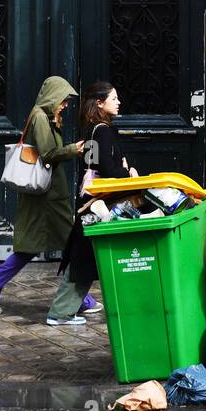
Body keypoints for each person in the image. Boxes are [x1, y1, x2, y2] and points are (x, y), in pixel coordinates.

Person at [0, 77, 86, 316]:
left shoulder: (44, 116)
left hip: (48, 196)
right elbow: (48, 153)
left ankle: (80, 298)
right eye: (63, 100)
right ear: (53, 96)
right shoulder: (41, 118)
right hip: (47, 198)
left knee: (55, 245)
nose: (65, 105)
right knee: (66, 245)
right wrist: (74, 149)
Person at [45, 82, 139, 326]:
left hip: (91, 199)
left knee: (84, 255)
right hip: (100, 202)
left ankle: (66, 309)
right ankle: (60, 312)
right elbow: (107, 169)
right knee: (85, 256)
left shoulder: (92, 129)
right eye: (113, 98)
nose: (118, 102)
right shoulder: (103, 131)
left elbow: (92, 164)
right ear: (99, 102)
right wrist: (127, 172)